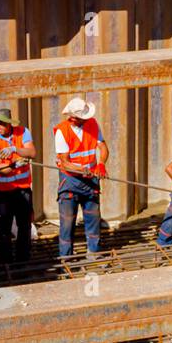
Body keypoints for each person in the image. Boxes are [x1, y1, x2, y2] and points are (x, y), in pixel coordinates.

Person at [54, 96, 108, 259]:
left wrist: (101, 164)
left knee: (92, 218)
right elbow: (64, 162)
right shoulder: (62, 132)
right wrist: (81, 169)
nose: (86, 119)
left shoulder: (92, 124)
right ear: (73, 117)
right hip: (70, 181)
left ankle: (94, 252)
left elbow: (103, 147)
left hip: (91, 180)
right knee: (67, 222)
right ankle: (66, 257)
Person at [0, 108, 35, 269]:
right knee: (4, 228)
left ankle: (23, 259)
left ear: (9, 124)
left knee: (24, 225)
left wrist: (15, 149)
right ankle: (6, 261)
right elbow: (0, 169)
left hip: (22, 189)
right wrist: (15, 164)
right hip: (2, 192)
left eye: (0, 124)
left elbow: (32, 152)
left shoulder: (23, 132)